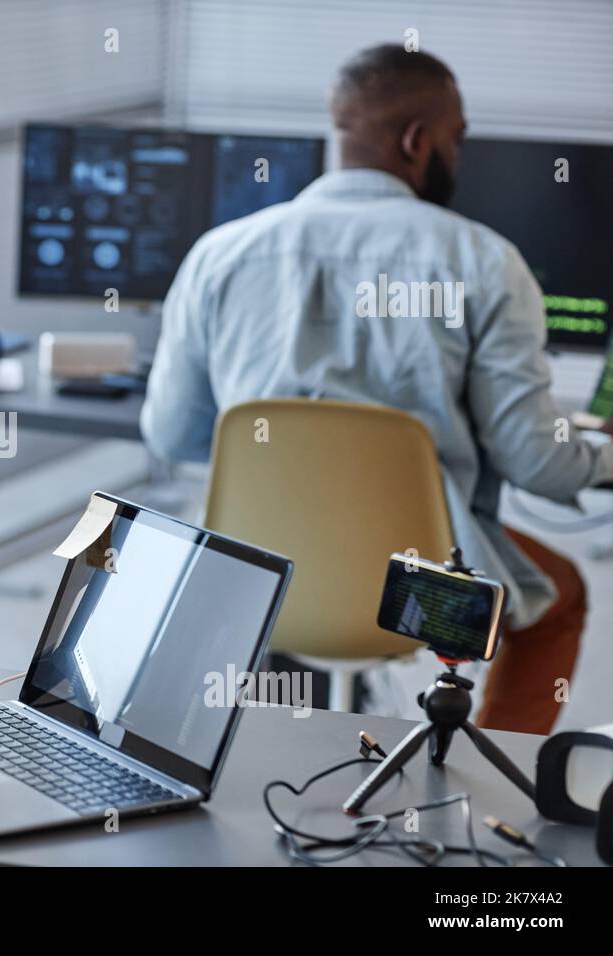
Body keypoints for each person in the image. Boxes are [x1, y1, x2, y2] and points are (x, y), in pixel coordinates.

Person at [141, 44, 611, 735]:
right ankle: (498, 791)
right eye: (455, 139)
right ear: (419, 141)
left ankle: (275, 750)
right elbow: (535, 461)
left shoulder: (221, 253)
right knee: (558, 597)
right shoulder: (483, 261)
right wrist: (603, 456)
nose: (457, 155)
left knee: (273, 577)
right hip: (423, 596)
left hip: (253, 581)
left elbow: (174, 435)